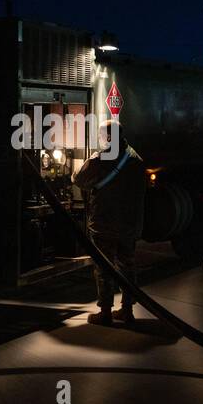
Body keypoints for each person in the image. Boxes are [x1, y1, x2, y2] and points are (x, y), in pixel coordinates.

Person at [72, 119, 146, 325]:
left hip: (104, 224)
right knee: (127, 266)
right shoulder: (135, 159)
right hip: (129, 226)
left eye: (101, 135)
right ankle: (127, 310)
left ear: (108, 137)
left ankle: (105, 312)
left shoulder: (101, 159)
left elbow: (77, 179)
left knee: (103, 267)